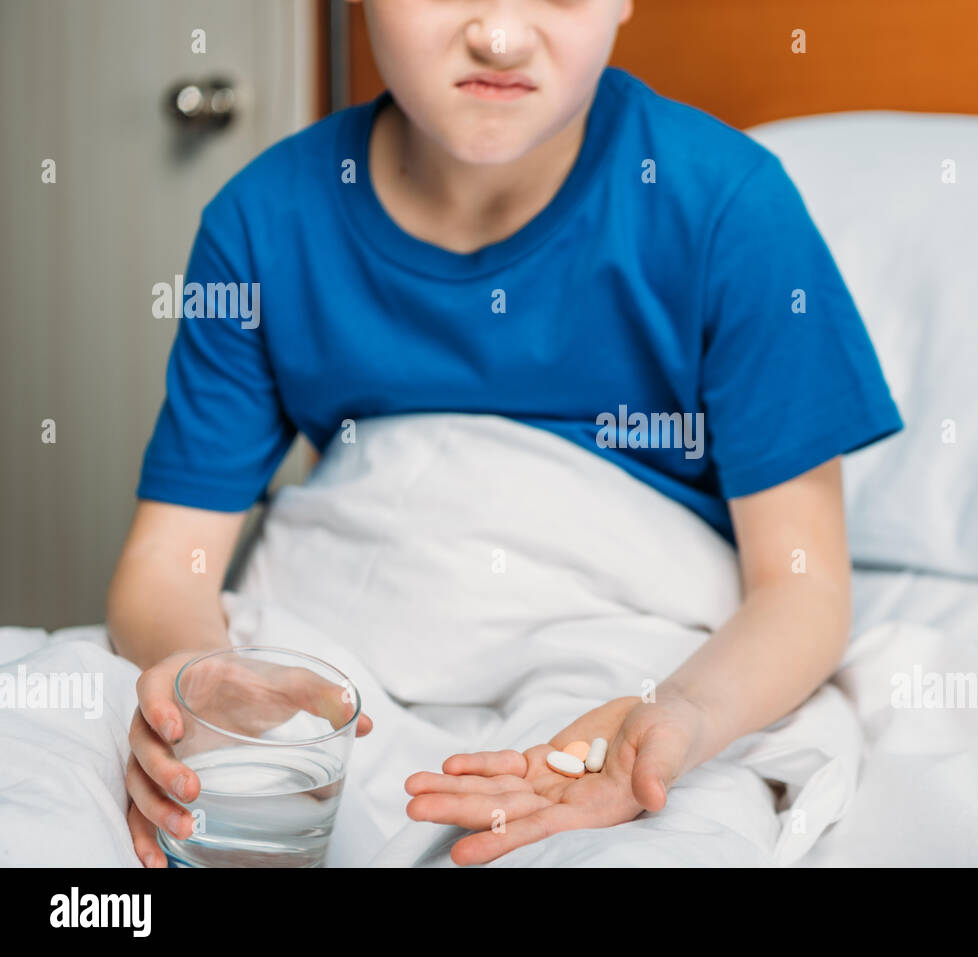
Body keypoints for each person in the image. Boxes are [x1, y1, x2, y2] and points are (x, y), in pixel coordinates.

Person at [107, 0, 903, 867]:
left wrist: (677, 714)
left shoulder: (730, 207)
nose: (499, 34)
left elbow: (802, 589)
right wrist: (200, 681)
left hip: (631, 668)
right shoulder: (262, 220)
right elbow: (166, 561)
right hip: (333, 652)